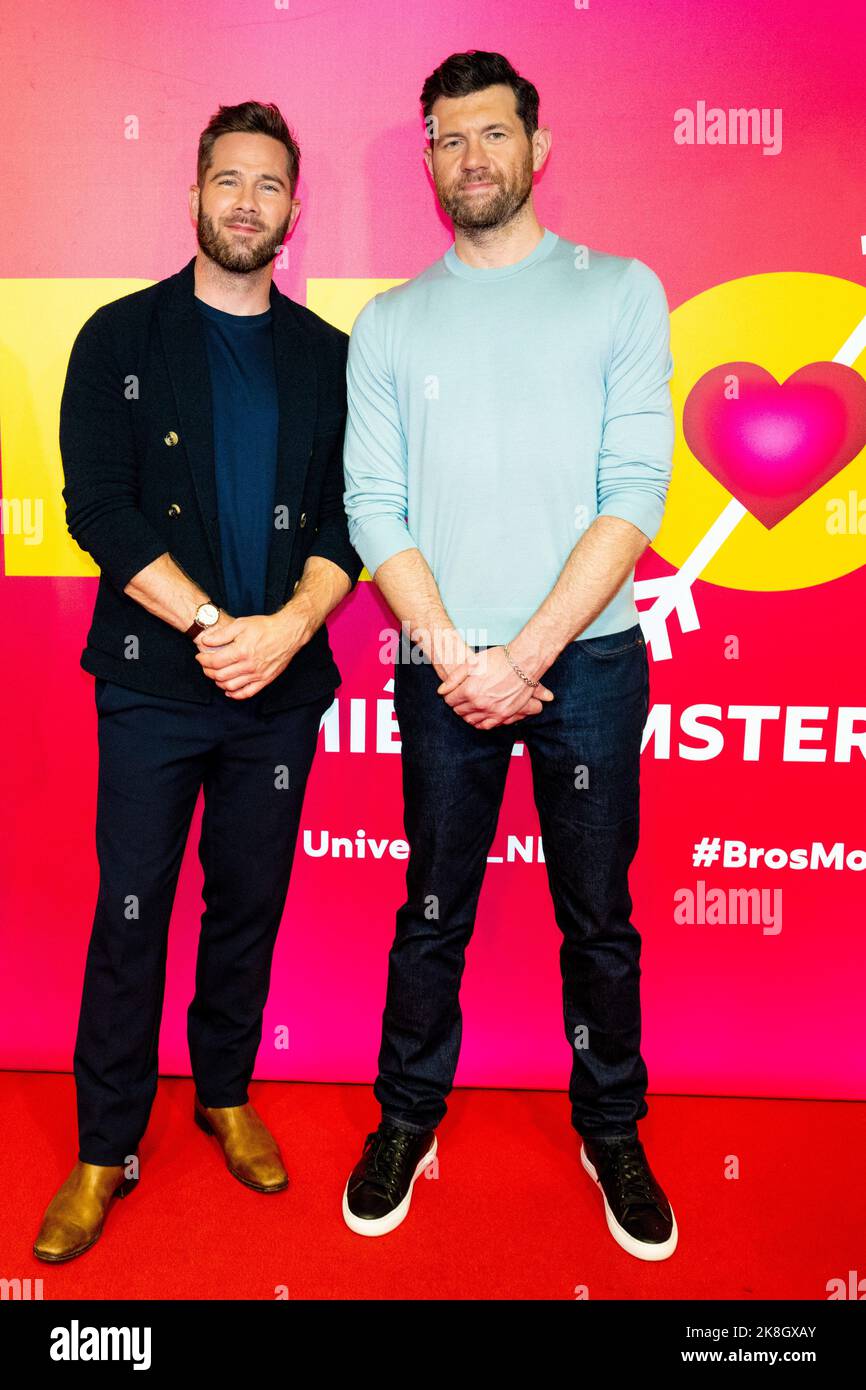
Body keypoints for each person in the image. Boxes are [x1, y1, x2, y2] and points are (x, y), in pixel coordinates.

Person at [341, 50, 677, 1259]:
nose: (468, 156)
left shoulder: (620, 291)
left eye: (491, 132)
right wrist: (451, 655)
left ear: (539, 147)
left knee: (597, 917)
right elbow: (373, 505)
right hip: (440, 666)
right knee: (431, 911)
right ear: (427, 158)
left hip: (584, 662)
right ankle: (405, 1117)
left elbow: (633, 490)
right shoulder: (386, 324)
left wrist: (523, 651)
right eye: (446, 138)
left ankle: (612, 1125)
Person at [34, 100, 361, 1263]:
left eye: (268, 184)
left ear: (291, 209)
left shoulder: (330, 358)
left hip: (278, 688)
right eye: (227, 179)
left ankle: (223, 1090)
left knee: (248, 903)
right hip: (152, 684)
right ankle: (101, 1145)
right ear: (192, 196)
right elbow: (99, 508)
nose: (244, 201)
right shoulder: (118, 340)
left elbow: (347, 515)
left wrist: (287, 629)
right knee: (131, 916)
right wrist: (220, 625)